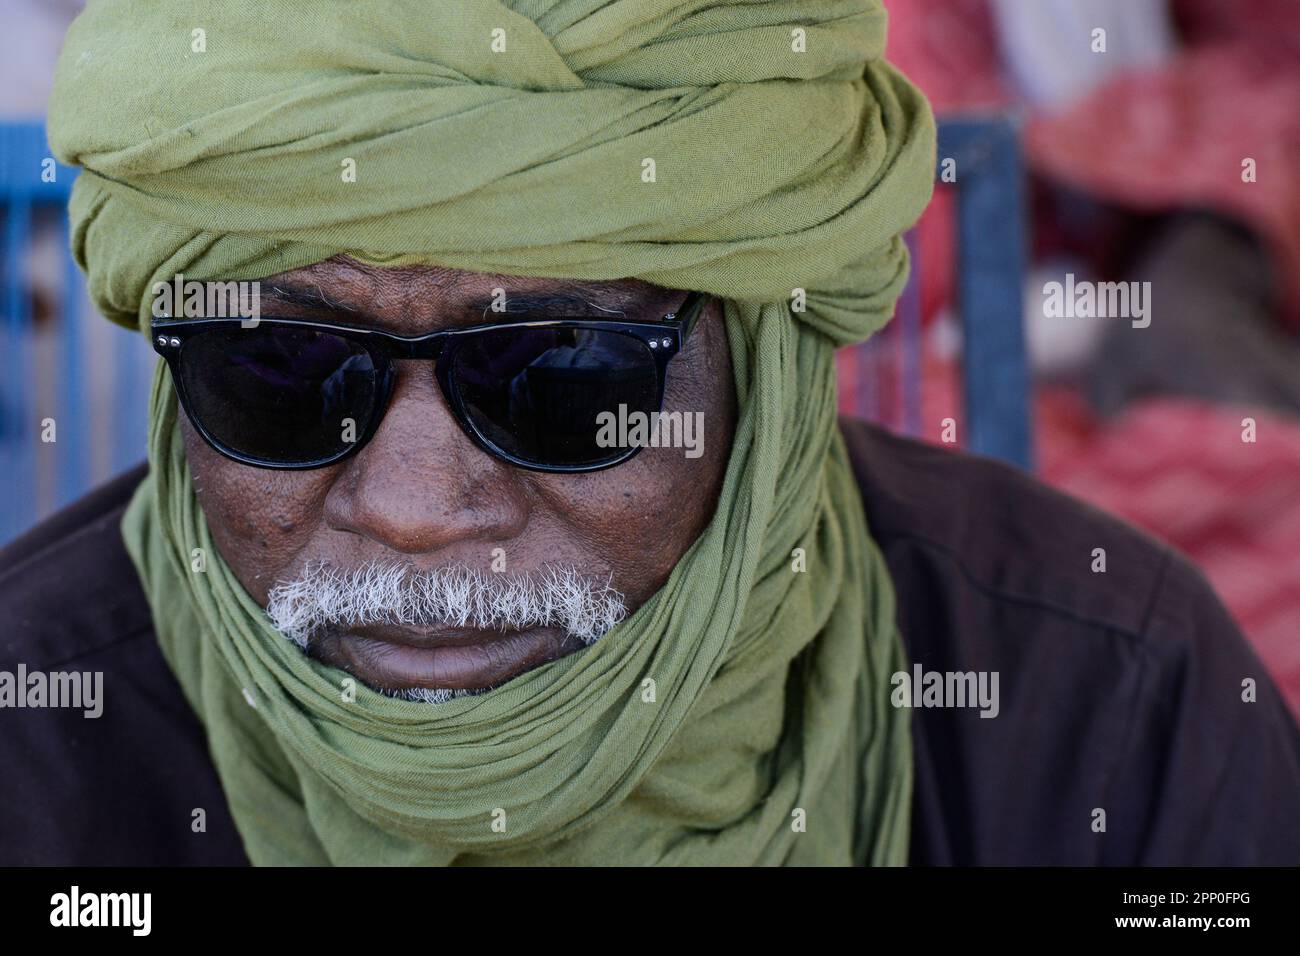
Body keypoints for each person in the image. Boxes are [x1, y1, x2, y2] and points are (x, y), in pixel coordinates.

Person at [1, 0, 1297, 866]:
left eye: (557, 373)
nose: (412, 505)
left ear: (771, 368)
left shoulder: (1113, 708)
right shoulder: (31, 743)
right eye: (281, 370)